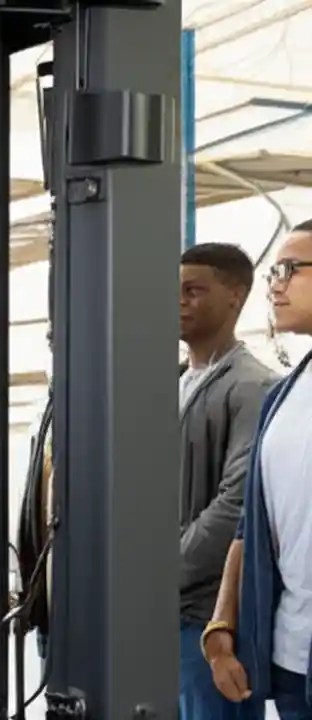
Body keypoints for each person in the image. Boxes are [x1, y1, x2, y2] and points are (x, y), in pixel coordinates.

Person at [206, 221, 312, 720]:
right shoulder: (282, 398)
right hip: (291, 665)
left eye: (291, 269)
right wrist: (221, 625)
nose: (275, 285)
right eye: (274, 272)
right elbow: (250, 527)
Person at [175, 243, 276, 719]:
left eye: (192, 290)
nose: (178, 302)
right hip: (161, 611)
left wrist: (159, 574)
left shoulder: (253, 386)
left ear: (235, 295)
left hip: (209, 622)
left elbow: (237, 503)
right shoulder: (170, 384)